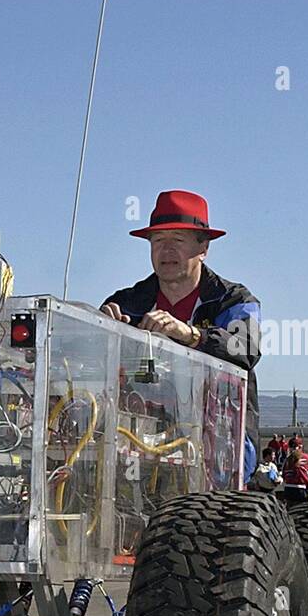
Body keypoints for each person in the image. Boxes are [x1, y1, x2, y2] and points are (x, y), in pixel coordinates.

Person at [100, 190, 262, 449]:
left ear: (204, 248)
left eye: (177, 239)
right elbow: (89, 367)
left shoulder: (234, 300)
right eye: (157, 240)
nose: (166, 249)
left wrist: (192, 334)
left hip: (220, 451)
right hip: (136, 447)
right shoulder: (125, 303)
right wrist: (102, 336)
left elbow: (246, 348)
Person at [280, 438, 308, 507]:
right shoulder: (306, 457)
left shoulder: (287, 459)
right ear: (300, 446)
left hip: (288, 488)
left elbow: (283, 473)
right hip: (301, 488)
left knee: (289, 510)